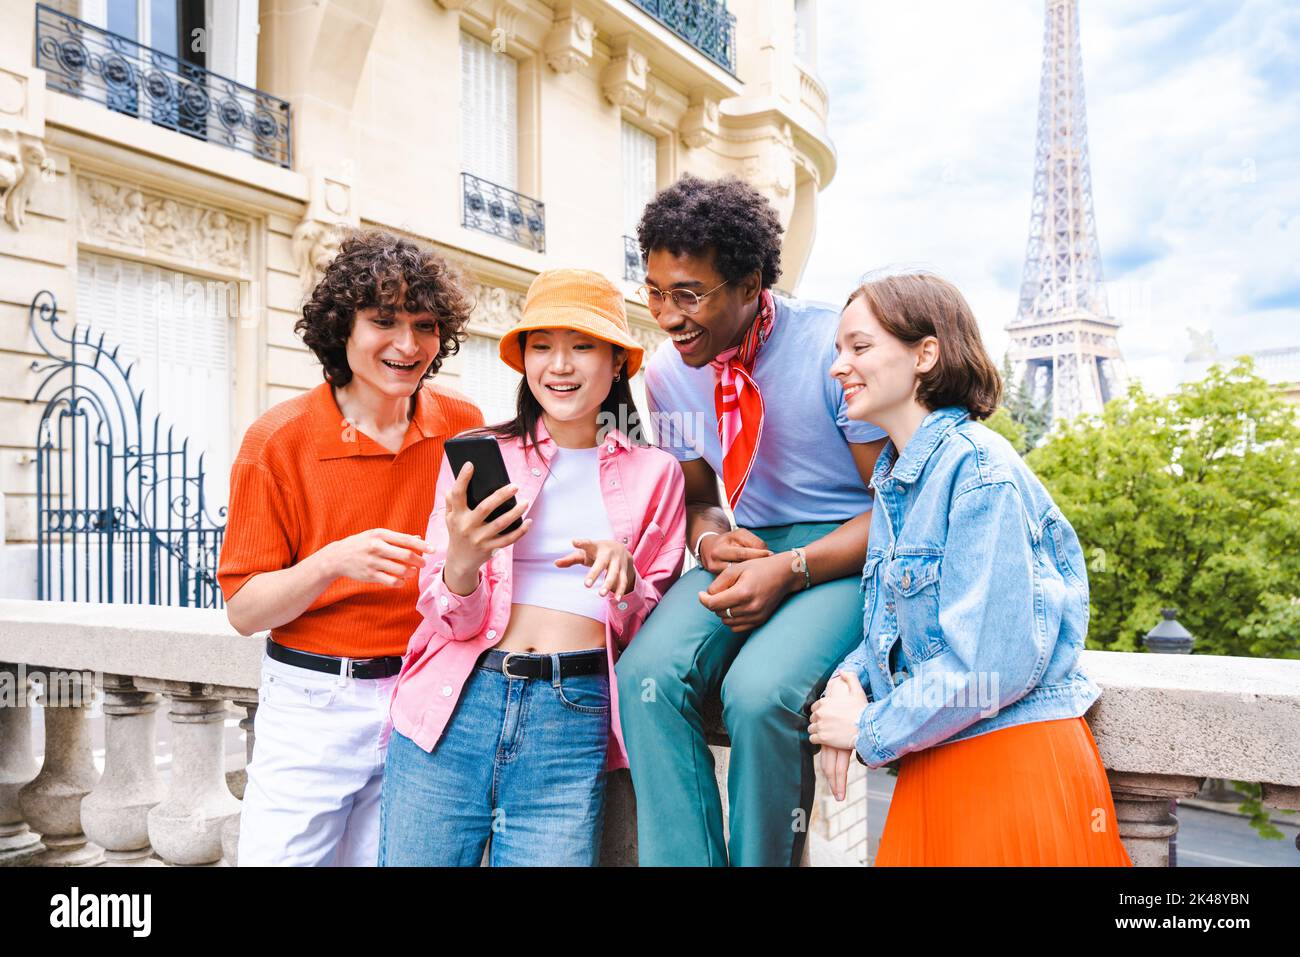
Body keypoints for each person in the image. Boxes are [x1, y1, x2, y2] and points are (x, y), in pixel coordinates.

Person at [810, 271, 1132, 867]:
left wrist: (867, 728)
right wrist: (848, 683)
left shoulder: (981, 470)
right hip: (943, 761)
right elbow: (899, 632)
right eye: (837, 350)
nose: (838, 367)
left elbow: (987, 664)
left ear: (925, 354)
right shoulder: (898, 480)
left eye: (859, 347)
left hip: (1006, 771)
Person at [614, 175, 889, 866]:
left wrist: (790, 569)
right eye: (655, 291)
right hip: (750, 545)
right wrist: (709, 539)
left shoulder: (835, 349)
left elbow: (894, 506)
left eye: (689, 294)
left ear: (749, 284)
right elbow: (699, 495)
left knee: (761, 693)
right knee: (646, 674)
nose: (668, 315)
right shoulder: (668, 375)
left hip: (847, 550)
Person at [380, 268, 686, 866]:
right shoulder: (481, 454)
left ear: (617, 362)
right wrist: (463, 562)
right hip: (455, 704)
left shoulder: (657, 473)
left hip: (571, 718)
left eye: (583, 346)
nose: (560, 365)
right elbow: (448, 618)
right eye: (541, 346)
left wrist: (624, 581)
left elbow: (649, 628)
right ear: (523, 361)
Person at [217, 230, 484, 866]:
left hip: (424, 699)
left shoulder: (463, 424)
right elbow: (245, 611)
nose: (407, 344)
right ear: (343, 327)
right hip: (312, 705)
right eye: (383, 321)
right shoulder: (276, 440)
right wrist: (335, 560)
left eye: (424, 325)